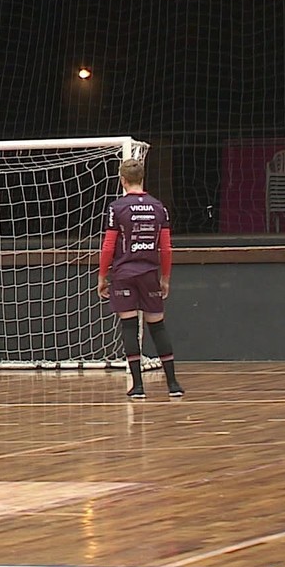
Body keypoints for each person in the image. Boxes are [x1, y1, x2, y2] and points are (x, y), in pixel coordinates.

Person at [96, 157, 184, 399]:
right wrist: (165, 277)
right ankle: (173, 384)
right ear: (142, 178)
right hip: (149, 273)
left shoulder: (117, 208)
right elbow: (165, 248)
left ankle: (137, 386)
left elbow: (108, 246)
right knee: (157, 326)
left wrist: (103, 276)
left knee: (129, 326)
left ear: (122, 180)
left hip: (124, 274)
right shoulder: (159, 207)